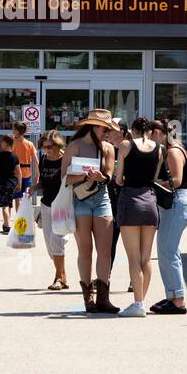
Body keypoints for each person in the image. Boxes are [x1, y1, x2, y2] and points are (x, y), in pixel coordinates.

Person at [61, 107, 117, 314]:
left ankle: (104, 298)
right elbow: (64, 178)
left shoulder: (108, 148)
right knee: (85, 250)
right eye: (105, 130)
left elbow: (109, 174)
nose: (108, 134)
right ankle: (88, 299)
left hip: (102, 199)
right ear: (94, 127)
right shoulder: (74, 146)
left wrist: (101, 177)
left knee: (105, 250)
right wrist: (85, 176)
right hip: (80, 200)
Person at [114, 116, 162, 316]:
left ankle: (138, 303)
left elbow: (118, 179)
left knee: (133, 258)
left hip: (131, 201)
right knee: (146, 258)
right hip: (150, 201)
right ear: (149, 131)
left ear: (132, 130)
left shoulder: (126, 145)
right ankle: (141, 301)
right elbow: (155, 177)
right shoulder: (159, 148)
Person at [151, 124, 187, 315]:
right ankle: (173, 295)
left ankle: (177, 299)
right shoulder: (174, 150)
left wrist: (155, 184)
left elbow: (176, 179)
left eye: (151, 136)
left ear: (158, 133)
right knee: (169, 252)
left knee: (168, 253)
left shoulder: (173, 152)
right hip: (175, 204)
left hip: (175, 203)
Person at [36, 131, 68, 289]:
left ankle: (58, 279)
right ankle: (63, 275)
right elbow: (42, 181)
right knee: (50, 247)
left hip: (62, 205)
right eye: (44, 147)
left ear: (58, 145)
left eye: (49, 147)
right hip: (46, 204)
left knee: (56, 241)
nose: (46, 150)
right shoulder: (43, 159)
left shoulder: (66, 160)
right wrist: (34, 187)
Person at [107, 118, 129, 273]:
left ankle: (134, 279)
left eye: (111, 130)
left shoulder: (130, 150)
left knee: (132, 244)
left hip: (128, 201)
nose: (108, 133)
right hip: (111, 201)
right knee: (109, 242)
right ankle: (105, 276)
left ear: (121, 132)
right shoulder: (108, 150)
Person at [0, 134, 22, 232]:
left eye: (2, 142)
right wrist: (19, 183)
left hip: (2, 183)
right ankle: (6, 222)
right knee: (9, 204)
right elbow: (19, 172)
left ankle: (7, 225)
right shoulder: (15, 156)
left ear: (5, 143)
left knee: (4, 206)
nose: (1, 144)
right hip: (12, 183)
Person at [11, 122, 39, 207]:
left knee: (17, 198)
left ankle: (18, 217)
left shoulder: (13, 143)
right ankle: (25, 216)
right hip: (27, 173)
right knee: (26, 196)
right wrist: (38, 174)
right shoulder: (29, 144)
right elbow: (36, 160)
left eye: (13, 129)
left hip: (15, 173)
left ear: (16, 131)